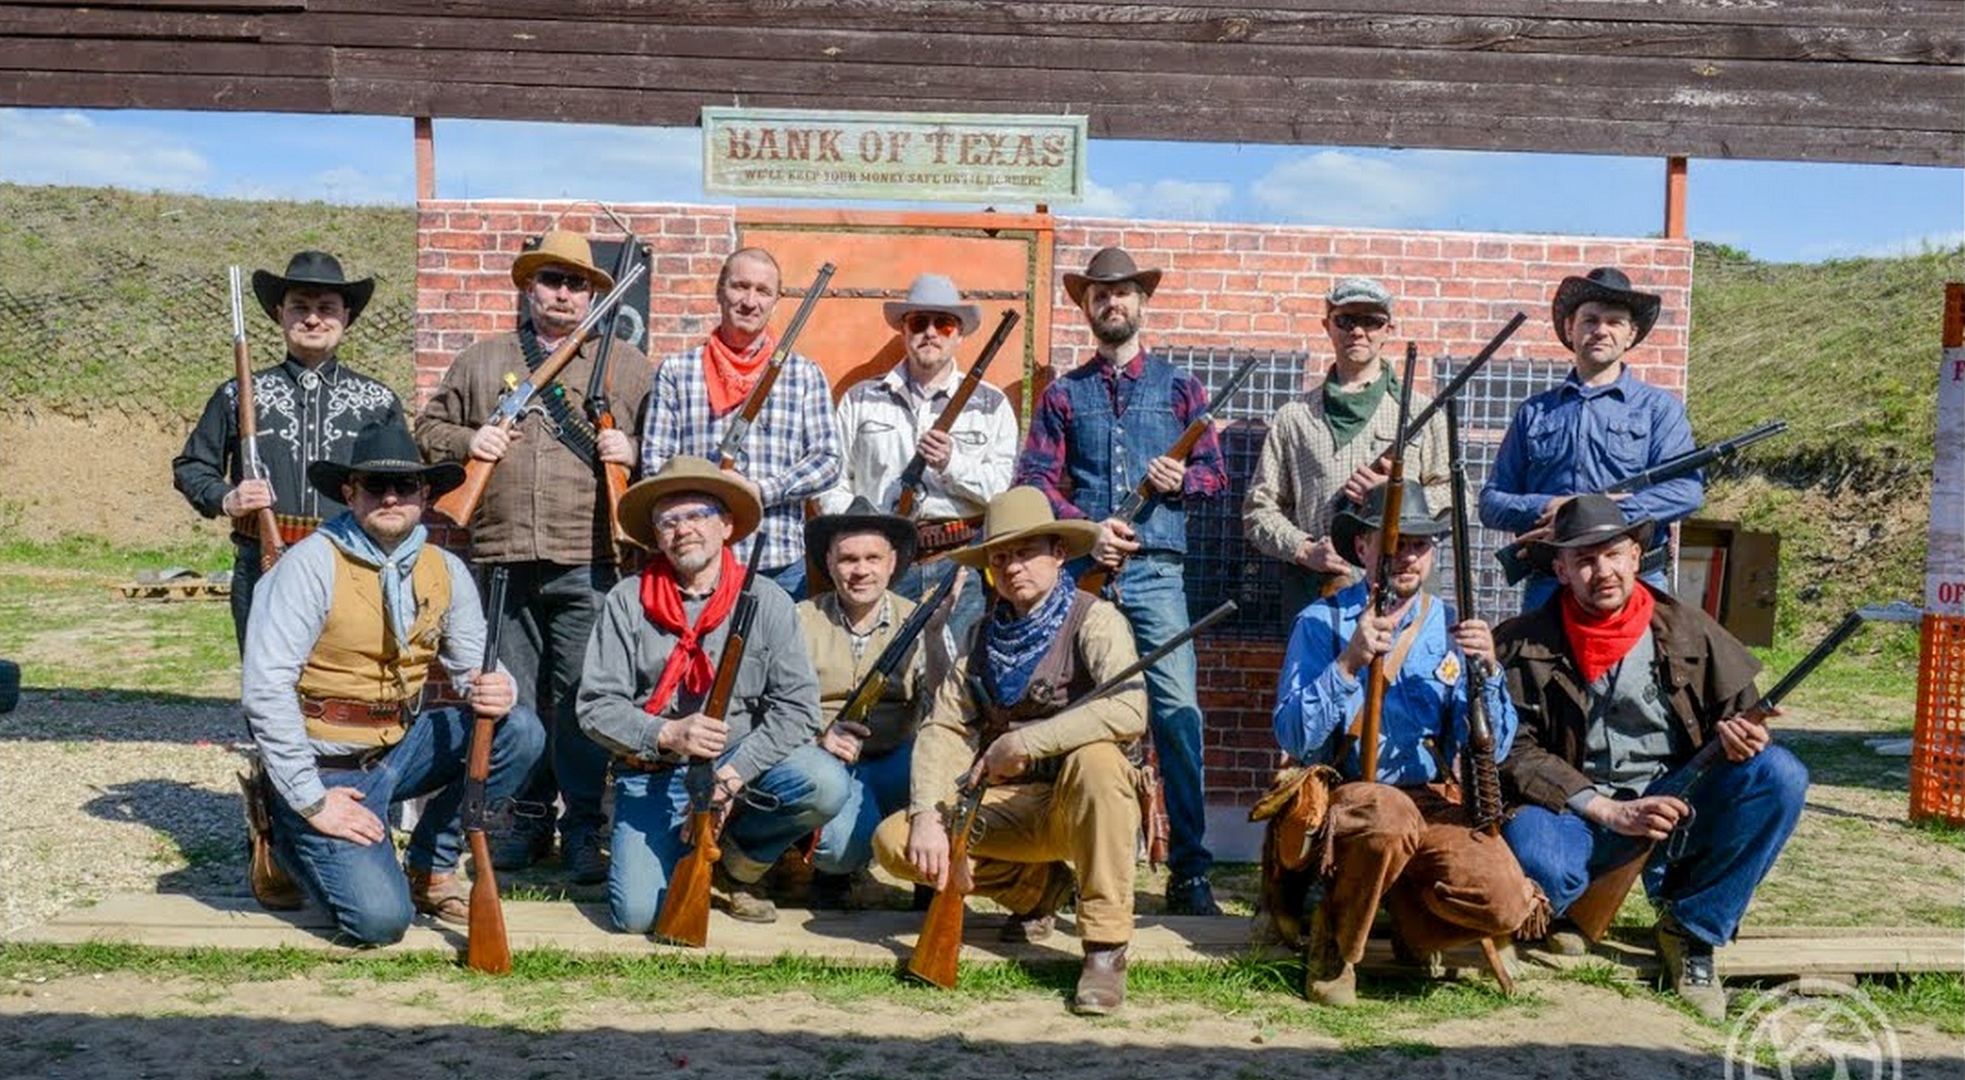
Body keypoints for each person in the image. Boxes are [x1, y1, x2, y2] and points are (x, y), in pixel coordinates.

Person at [1495, 495, 1808, 1021]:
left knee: (1780, 776)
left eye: (1614, 555)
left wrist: (1743, 741)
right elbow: (1513, 750)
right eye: (1585, 560)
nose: (1603, 572)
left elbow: (1741, 722)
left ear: (1637, 557)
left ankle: (1691, 931)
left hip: (1673, 802)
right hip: (1574, 806)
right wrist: (1604, 809)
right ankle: (1572, 910)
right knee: (1538, 866)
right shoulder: (1520, 643)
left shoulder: (1689, 629)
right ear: (1561, 569)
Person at [240, 421, 543, 944]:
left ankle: (431, 864)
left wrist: (498, 688)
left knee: (520, 729)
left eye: (404, 486)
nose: (390, 496)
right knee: (380, 922)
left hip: (398, 752)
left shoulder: (445, 569)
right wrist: (313, 800)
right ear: (349, 493)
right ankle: (283, 829)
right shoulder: (309, 565)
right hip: (324, 766)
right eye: (375, 485)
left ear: (425, 494)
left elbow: (475, 666)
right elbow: (266, 690)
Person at [414, 229, 652, 882]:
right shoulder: (482, 359)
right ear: (528, 286)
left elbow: (663, 451)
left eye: (576, 283)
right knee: (511, 702)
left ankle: (582, 828)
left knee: (581, 701)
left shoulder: (627, 366)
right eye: (551, 279)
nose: (564, 292)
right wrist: (474, 438)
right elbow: (427, 430)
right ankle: (520, 819)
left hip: (589, 556)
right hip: (502, 556)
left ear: (592, 294)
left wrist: (633, 453)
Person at [871, 486, 1147, 1015]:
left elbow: (1130, 710)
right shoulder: (981, 639)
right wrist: (929, 812)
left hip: (1084, 807)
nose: (1013, 566)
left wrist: (1024, 740)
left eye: (1025, 552)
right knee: (895, 841)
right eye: (1000, 556)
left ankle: (1106, 950)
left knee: (1098, 759)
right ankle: (1035, 889)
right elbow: (944, 729)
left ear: (1058, 553)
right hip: (1008, 807)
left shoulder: (1095, 620)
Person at [1016, 246, 1229, 915]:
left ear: (1141, 302)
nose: (1112, 303)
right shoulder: (1061, 394)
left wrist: (1179, 479)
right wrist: (1089, 526)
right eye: (1099, 295)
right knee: (1067, 707)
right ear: (1087, 307)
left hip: (1157, 575)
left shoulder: (1179, 388)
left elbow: (1216, 477)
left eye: (1123, 293)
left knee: (1176, 716)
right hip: (1082, 574)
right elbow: (1033, 484)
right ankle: (1063, 866)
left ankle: (1190, 872)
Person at [1270, 480, 1543, 1005]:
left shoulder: (1449, 627)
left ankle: (1413, 925)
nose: (1405, 557)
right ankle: (1338, 946)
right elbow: (1294, 736)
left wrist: (1487, 670)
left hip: (1431, 798)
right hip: (1350, 795)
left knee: (1506, 903)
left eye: (1418, 545)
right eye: (1391, 543)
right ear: (1363, 548)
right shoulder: (1320, 622)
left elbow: (1496, 747)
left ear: (1432, 552)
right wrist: (1347, 663)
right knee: (1388, 816)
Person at [576, 455, 849, 933]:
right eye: (669, 520)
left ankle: (739, 864)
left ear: (726, 525)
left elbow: (798, 709)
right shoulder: (626, 600)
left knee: (824, 782)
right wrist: (666, 732)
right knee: (637, 917)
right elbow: (596, 707)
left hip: (740, 765)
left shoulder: (766, 599)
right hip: (654, 771)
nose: (684, 529)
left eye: (698, 515)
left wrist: (731, 777)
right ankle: (689, 852)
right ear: (656, 535)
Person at [173, 250, 404, 649]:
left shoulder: (379, 401)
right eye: (300, 307)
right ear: (280, 314)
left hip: (349, 565)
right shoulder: (236, 394)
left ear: (345, 317)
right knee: (266, 687)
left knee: (343, 684)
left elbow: (401, 484)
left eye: (326, 308)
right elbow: (192, 465)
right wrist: (228, 497)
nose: (313, 318)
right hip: (260, 562)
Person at [1480, 267, 1701, 613]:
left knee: (1643, 667)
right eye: (1590, 320)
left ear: (1631, 334)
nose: (1601, 330)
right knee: (1535, 667)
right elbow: (1491, 502)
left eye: (1614, 322)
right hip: (1553, 580)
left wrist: (1587, 512)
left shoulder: (1660, 410)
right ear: (1570, 328)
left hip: (1635, 580)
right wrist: (1545, 508)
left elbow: (1686, 492)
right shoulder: (1534, 412)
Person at [819, 272, 1017, 649]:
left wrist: (952, 464)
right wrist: (862, 534)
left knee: (955, 677)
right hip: (882, 563)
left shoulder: (991, 405)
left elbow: (1003, 491)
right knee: (881, 678)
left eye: (943, 323)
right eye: (918, 322)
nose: (931, 332)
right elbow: (832, 479)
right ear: (904, 331)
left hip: (959, 562)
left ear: (959, 335)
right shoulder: (861, 399)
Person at [1244, 277, 1449, 630]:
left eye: (1371, 321)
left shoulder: (1420, 413)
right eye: (1345, 320)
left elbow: (1455, 500)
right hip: (1319, 596)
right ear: (1328, 326)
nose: (1358, 331)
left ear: (1389, 329)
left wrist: (1397, 493)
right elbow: (1258, 510)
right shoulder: (1293, 418)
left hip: (1404, 589)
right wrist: (1305, 550)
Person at [641, 247, 842, 599]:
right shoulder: (676, 372)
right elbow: (656, 465)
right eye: (740, 286)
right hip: (699, 562)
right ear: (720, 291)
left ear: (775, 300)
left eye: (763, 291)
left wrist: (760, 491)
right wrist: (711, 498)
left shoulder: (804, 374)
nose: (751, 301)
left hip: (778, 558)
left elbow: (828, 461)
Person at [798, 497, 953, 908]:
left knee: (942, 770)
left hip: (897, 759)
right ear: (829, 563)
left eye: (872, 557)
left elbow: (947, 705)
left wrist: (935, 636)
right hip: (831, 765)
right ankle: (839, 870)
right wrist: (817, 738)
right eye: (848, 559)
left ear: (892, 563)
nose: (860, 570)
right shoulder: (799, 619)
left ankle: (926, 873)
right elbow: (775, 707)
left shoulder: (920, 619)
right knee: (835, 849)